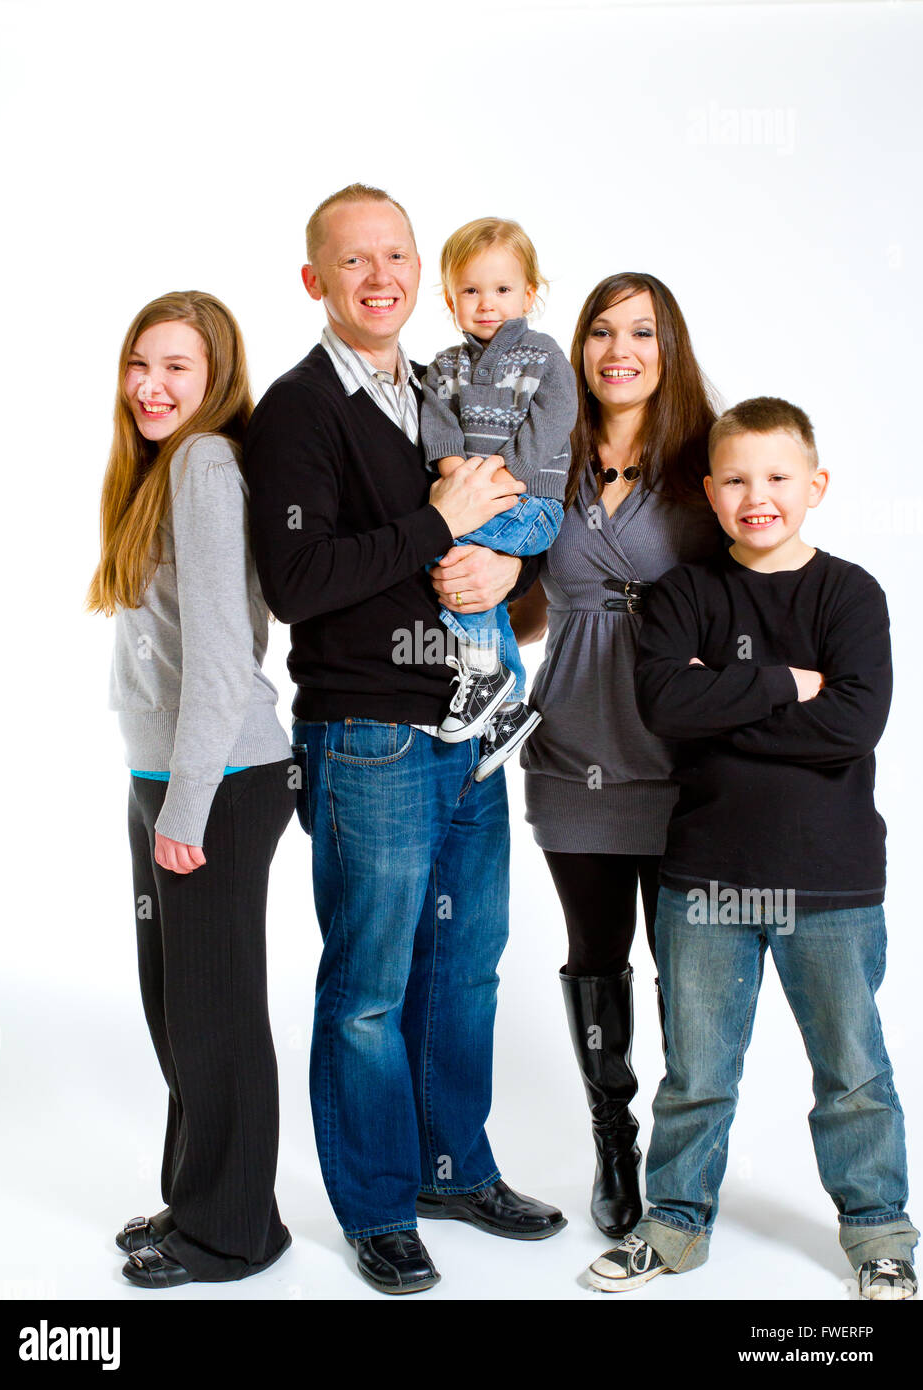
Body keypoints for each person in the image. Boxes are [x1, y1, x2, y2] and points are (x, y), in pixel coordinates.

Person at [244, 184, 566, 1297]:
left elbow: (501, 535)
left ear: (418, 269)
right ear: (315, 283)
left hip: (469, 731)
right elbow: (298, 581)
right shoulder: (296, 410)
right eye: (354, 262)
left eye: (396, 257)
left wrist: (507, 562)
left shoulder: (441, 389)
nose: (380, 278)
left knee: (464, 964)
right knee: (372, 986)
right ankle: (379, 1206)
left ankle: (450, 1166)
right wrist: (443, 524)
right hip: (369, 738)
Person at [588, 397, 918, 1301]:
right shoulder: (685, 594)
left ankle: (880, 1236)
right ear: (710, 490)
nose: (756, 496)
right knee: (696, 1074)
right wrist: (784, 686)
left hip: (831, 882)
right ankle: (674, 1225)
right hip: (704, 880)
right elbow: (665, 712)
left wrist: (725, 702)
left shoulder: (849, 593)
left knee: (853, 1074)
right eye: (735, 479)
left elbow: (855, 726)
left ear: (816, 486)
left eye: (777, 478)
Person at [87, 291, 297, 1289]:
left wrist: (187, 804)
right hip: (166, 774)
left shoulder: (208, 465)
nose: (152, 386)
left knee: (215, 1009)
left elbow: (223, 660)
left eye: (177, 367)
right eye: (140, 363)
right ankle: (207, 1198)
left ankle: (233, 1235)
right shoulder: (157, 471)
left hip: (223, 777)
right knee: (177, 1003)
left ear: (216, 380)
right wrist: (158, 788)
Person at [512, 273, 721, 1237]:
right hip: (575, 751)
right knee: (596, 955)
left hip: (684, 759)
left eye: (641, 331)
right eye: (600, 331)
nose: (618, 350)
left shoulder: (705, 462)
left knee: (690, 968)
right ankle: (614, 1144)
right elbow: (521, 598)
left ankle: (687, 1160)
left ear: (667, 347)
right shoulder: (548, 454)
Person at [420, 217, 577, 779]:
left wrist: (501, 477)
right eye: (470, 290)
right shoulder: (444, 366)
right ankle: (507, 706)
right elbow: (438, 428)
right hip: (478, 500)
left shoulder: (542, 355)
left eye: (503, 289)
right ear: (449, 299)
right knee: (455, 553)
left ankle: (492, 680)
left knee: (449, 549)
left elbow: (554, 418)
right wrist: (454, 472)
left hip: (529, 504)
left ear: (530, 294)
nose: (487, 303)